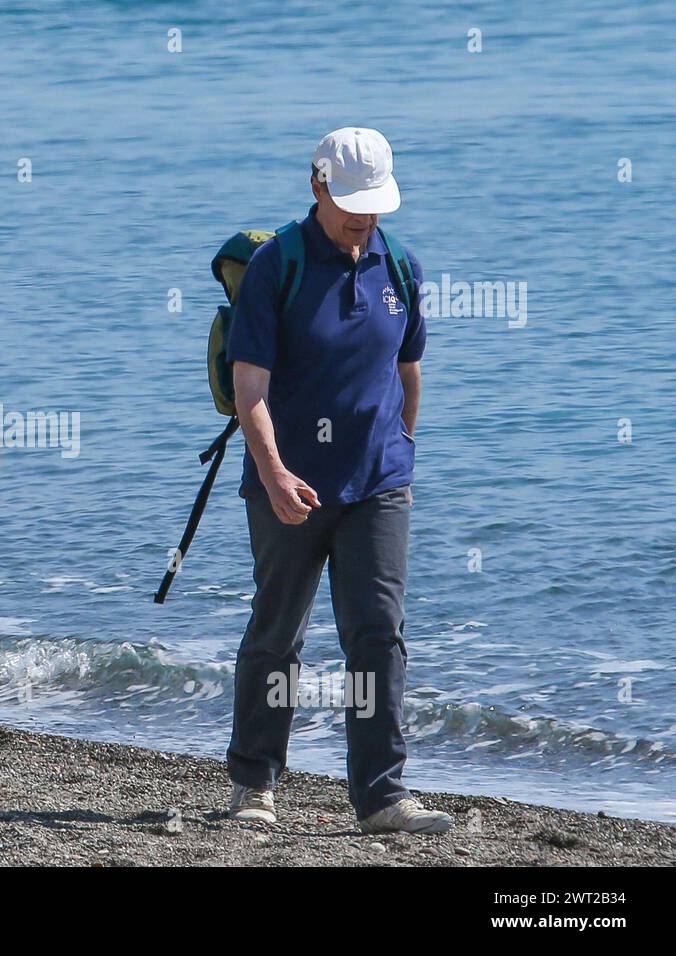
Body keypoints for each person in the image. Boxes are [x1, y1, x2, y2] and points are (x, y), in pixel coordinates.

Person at [225, 127, 453, 834]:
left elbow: (407, 370)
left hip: (379, 481)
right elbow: (249, 387)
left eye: (374, 203)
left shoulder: (401, 265)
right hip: (288, 482)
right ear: (317, 184)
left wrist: (401, 447)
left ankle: (382, 796)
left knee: (377, 634)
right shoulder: (278, 267)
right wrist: (274, 471)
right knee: (277, 635)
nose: (364, 217)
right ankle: (255, 786)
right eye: (352, 201)